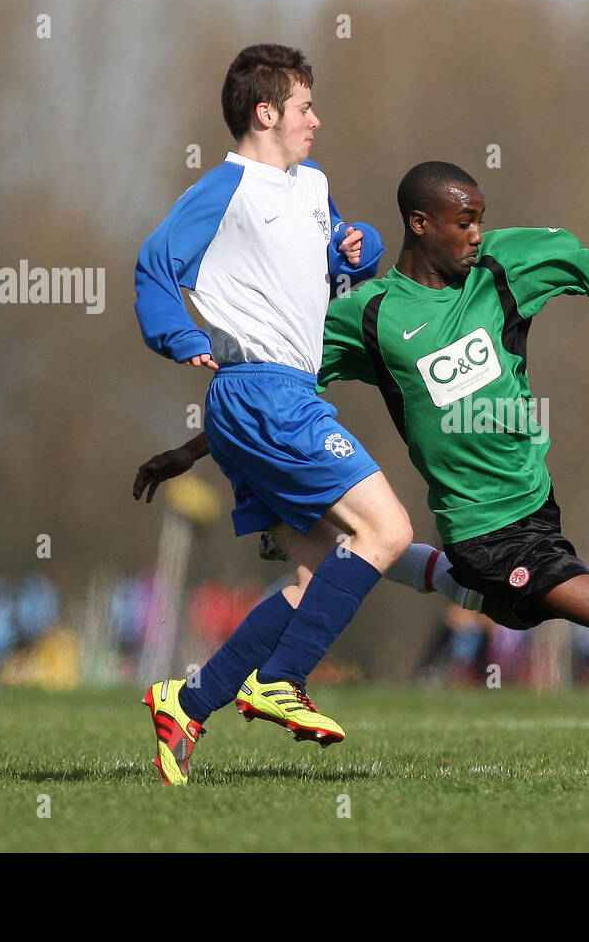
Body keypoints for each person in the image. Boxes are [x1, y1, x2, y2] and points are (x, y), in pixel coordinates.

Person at [139, 161, 589, 778]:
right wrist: (194, 449)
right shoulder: (368, 314)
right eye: (464, 221)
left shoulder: (507, 265)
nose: (477, 233)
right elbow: (280, 390)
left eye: (480, 219)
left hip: (538, 511)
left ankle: (201, 692)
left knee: (462, 593)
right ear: (420, 224)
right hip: (486, 535)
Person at [132, 43, 414, 786]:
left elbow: (338, 260)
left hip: (278, 397)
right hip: (262, 394)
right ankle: (282, 678)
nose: (316, 121)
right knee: (388, 530)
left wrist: (359, 248)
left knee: (317, 573)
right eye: (304, 108)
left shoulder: (312, 185)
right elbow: (155, 264)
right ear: (266, 113)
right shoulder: (224, 191)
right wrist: (180, 336)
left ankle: (188, 703)